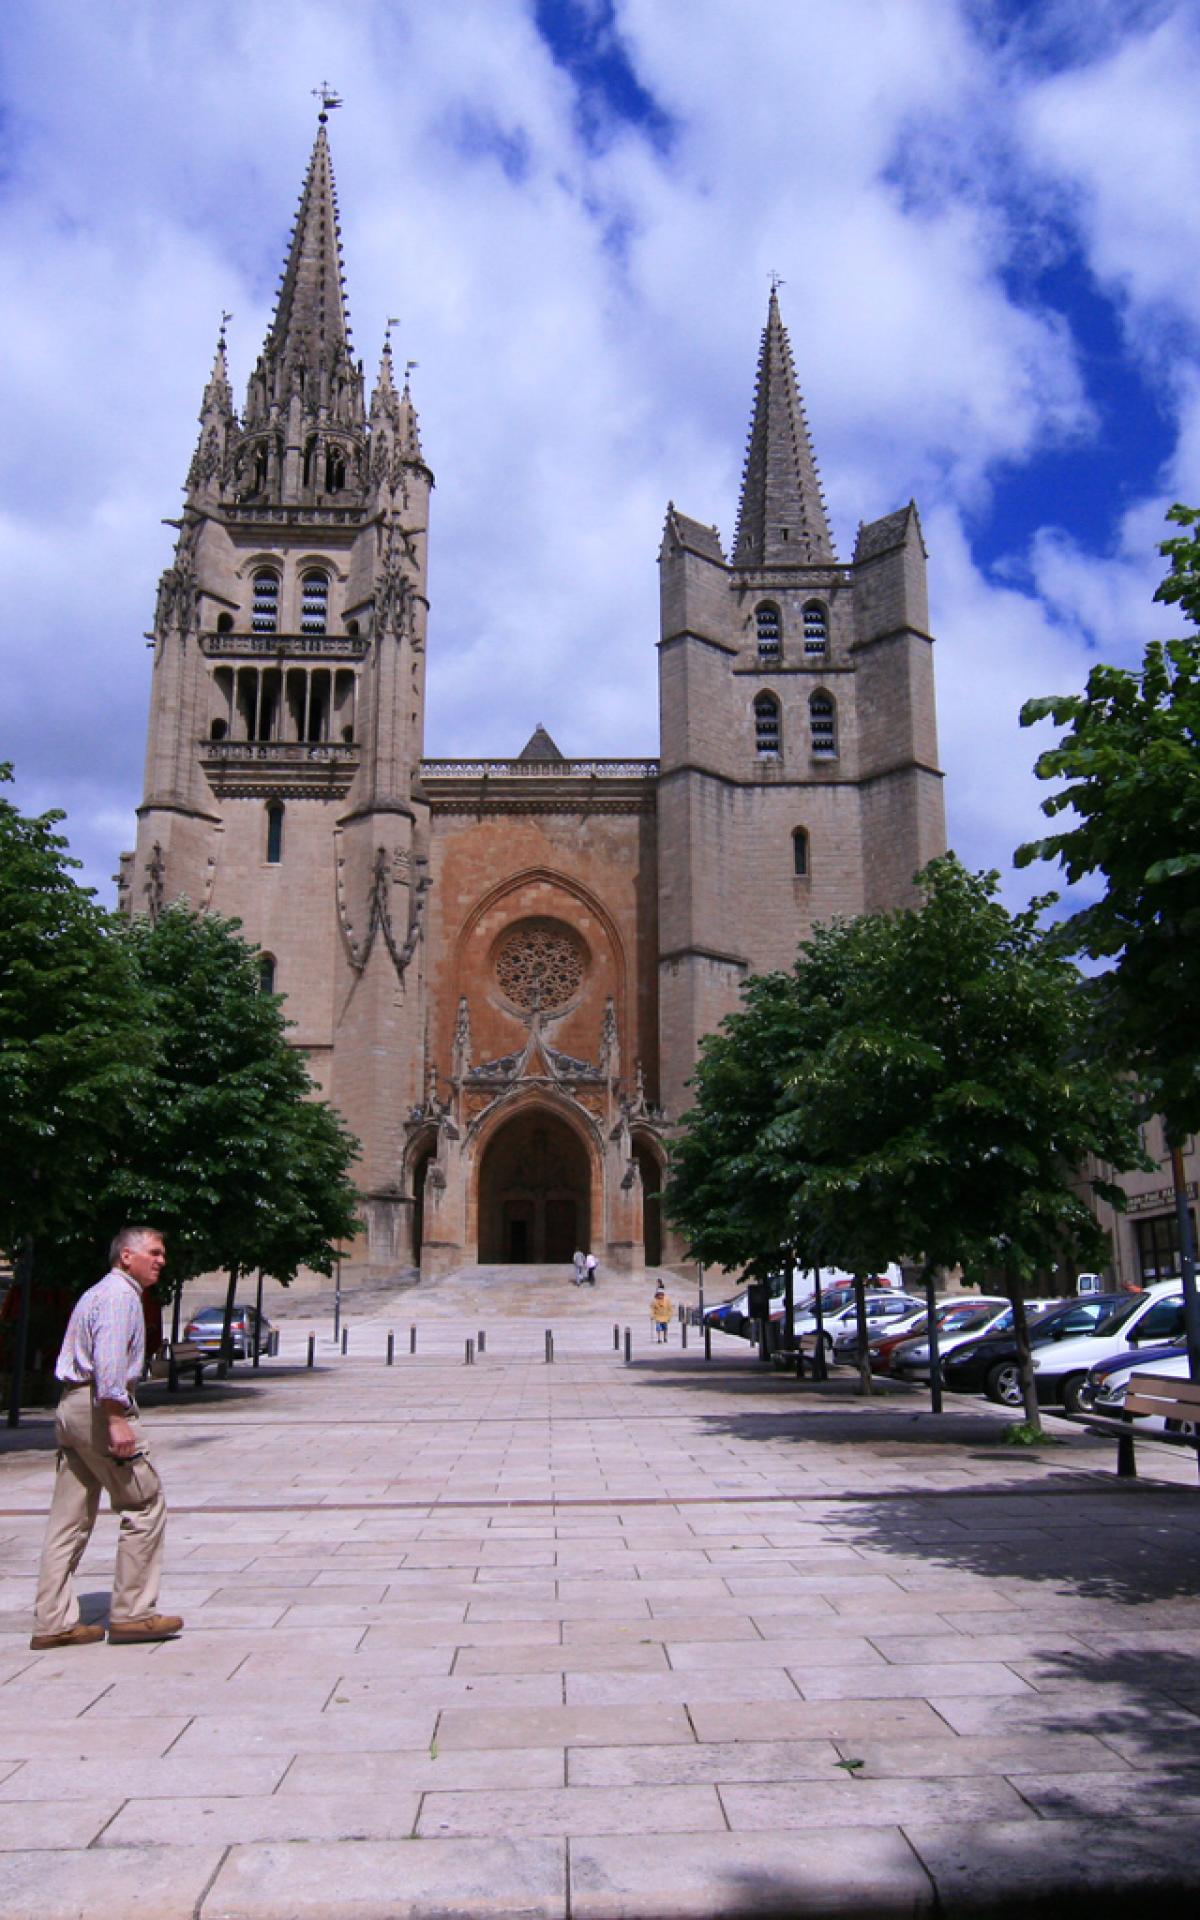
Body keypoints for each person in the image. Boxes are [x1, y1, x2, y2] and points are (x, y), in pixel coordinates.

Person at [30, 1226, 183, 1650]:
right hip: (99, 1406)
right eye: (154, 1252)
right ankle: (134, 1613)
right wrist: (116, 1418)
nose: (161, 1260)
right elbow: (109, 1358)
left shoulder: (97, 1292)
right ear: (126, 1256)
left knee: (68, 1520)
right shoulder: (120, 1296)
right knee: (144, 1503)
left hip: (72, 1407)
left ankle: (53, 1621)